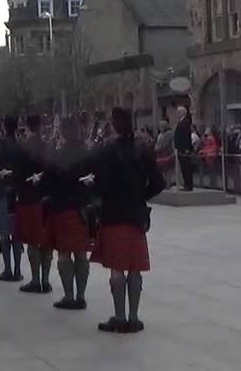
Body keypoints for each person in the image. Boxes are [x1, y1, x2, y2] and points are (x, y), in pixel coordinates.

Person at [89, 108, 166, 334]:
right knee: (134, 267)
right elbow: (159, 182)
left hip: (113, 215)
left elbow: (101, 184)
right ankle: (133, 317)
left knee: (117, 269)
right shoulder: (142, 149)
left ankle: (120, 317)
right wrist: (140, 196)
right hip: (136, 216)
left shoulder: (107, 150)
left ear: (114, 124)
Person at [41, 116, 94, 310]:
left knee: (64, 254)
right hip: (81, 209)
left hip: (62, 208)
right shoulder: (87, 153)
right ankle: (81, 296)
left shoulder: (58, 155)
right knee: (81, 253)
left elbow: (47, 181)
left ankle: (69, 296)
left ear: (63, 132)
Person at [16, 115, 52, 294]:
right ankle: (45, 280)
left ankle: (35, 279)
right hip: (46, 199)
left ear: (27, 126)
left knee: (32, 242)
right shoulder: (48, 147)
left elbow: (17, 175)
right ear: (40, 126)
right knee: (46, 241)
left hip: (28, 198)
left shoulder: (23, 147)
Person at [0, 116, 24, 282]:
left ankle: (8, 269)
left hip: (1, 192)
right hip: (18, 194)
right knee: (17, 233)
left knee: (4, 233)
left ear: (3, 126)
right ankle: (18, 269)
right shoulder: (22, 146)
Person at [174, 106, 195, 191]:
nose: (177, 114)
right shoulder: (180, 122)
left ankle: (188, 185)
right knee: (183, 167)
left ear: (182, 113)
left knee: (186, 167)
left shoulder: (185, 122)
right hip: (180, 148)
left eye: (178, 112)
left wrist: (187, 148)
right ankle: (186, 184)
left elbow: (186, 136)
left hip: (184, 148)